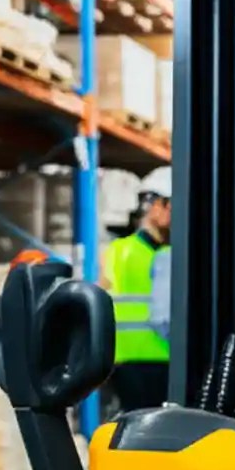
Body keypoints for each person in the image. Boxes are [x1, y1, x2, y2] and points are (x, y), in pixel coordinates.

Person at [100, 166, 172, 414]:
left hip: (137, 364)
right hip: (146, 365)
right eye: (172, 204)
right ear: (155, 205)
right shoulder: (156, 255)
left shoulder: (118, 251)